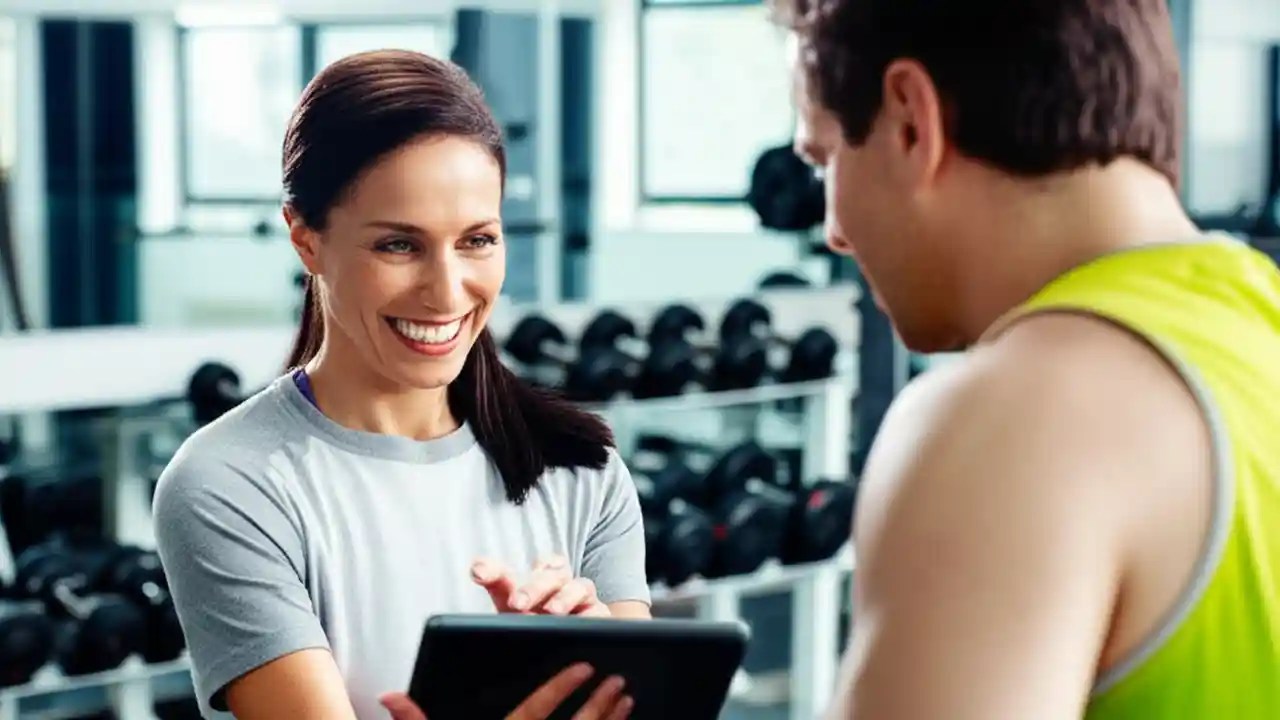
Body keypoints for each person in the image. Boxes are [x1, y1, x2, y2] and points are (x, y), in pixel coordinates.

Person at [771, 1, 1280, 718]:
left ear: (912, 120)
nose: (835, 233)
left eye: (826, 158)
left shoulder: (1013, 417)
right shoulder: (1260, 329)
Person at [152, 50, 648, 720]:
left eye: (477, 241)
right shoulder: (228, 484)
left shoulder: (583, 471)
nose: (446, 293)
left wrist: (600, 660)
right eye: (398, 245)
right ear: (306, 240)